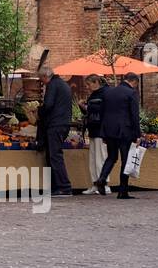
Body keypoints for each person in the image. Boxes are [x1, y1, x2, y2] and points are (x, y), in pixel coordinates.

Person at [98, 72, 141, 199]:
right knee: (125, 160)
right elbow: (134, 115)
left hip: (109, 130)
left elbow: (102, 112)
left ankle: (102, 178)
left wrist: (104, 132)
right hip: (125, 131)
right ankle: (123, 191)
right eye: (136, 85)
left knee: (111, 157)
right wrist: (137, 134)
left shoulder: (108, 92)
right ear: (134, 82)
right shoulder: (131, 93)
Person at [36, 65, 73, 196]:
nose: (41, 82)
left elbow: (49, 104)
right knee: (54, 154)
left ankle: (64, 186)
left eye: (41, 79)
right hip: (63, 123)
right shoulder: (63, 84)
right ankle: (57, 185)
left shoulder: (52, 85)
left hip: (55, 124)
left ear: (45, 76)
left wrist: (40, 111)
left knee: (54, 155)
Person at [81, 74, 110, 194]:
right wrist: (83, 107)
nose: (87, 87)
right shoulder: (93, 95)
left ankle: (104, 184)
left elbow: (105, 112)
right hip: (93, 129)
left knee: (101, 158)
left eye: (88, 84)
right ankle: (95, 183)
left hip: (101, 130)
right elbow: (90, 112)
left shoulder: (105, 93)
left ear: (95, 82)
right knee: (93, 159)